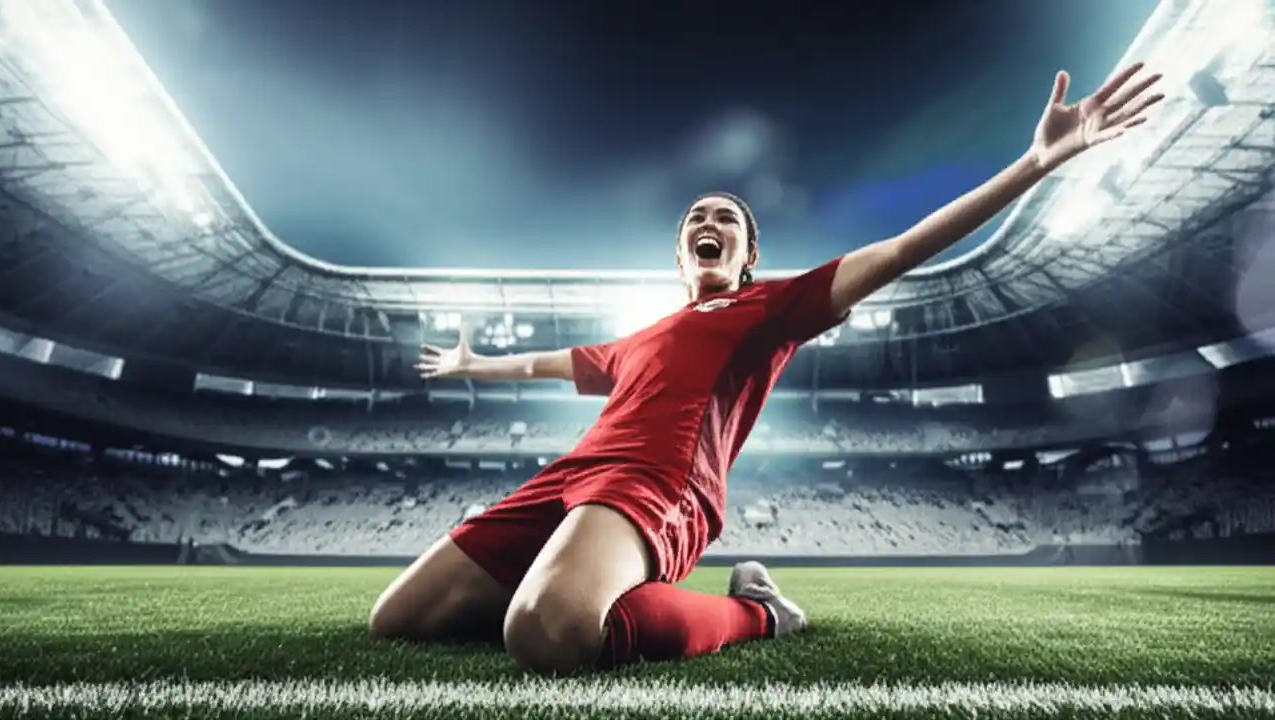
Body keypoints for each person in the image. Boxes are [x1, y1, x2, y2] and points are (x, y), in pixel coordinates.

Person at [369, 63, 1163, 673]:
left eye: (727, 220)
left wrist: (1034, 165)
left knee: (548, 635)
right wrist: (479, 362)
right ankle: (583, 584)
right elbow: (551, 363)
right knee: (397, 620)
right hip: (570, 476)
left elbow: (898, 251)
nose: (708, 222)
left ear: (749, 258)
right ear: (681, 251)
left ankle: (756, 613)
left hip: (655, 486)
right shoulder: (644, 335)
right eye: (696, 217)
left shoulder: (769, 309)